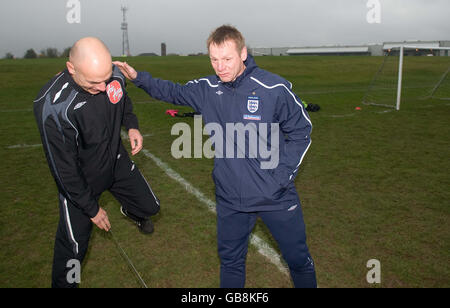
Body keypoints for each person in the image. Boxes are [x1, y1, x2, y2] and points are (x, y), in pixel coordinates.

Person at [114, 25, 317, 288]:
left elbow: (302, 131)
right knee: (231, 262)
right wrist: (138, 77)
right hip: (230, 197)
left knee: (298, 259)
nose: (220, 67)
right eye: (214, 59)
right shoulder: (207, 89)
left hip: (275, 197)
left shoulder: (273, 88)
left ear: (243, 53)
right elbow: (172, 91)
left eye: (227, 59)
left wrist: (280, 178)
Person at [33, 37, 160, 288]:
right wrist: (91, 209)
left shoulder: (111, 75)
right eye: (94, 82)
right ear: (71, 69)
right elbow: (64, 170)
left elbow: (121, 99)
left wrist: (131, 126)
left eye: (106, 79)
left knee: (150, 207)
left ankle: (130, 211)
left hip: (115, 160)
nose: (103, 87)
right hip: (82, 180)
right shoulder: (53, 107)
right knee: (74, 249)